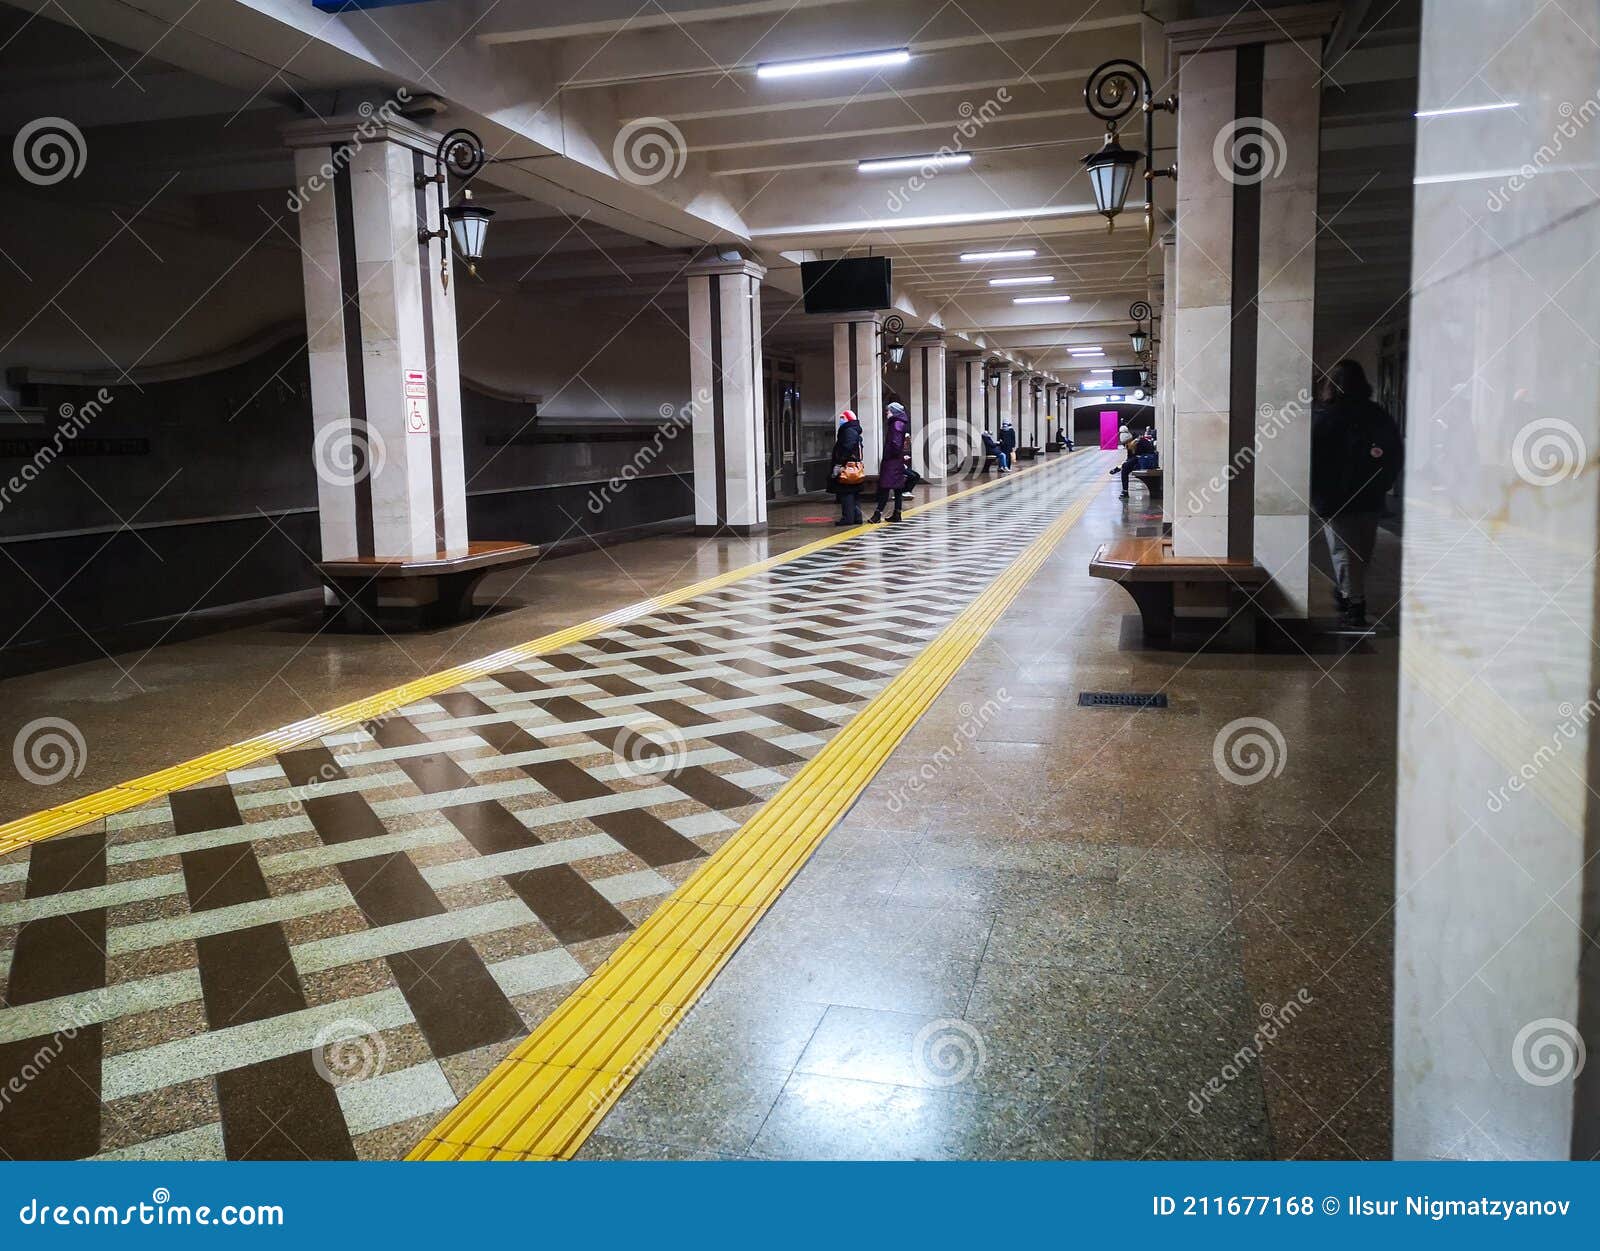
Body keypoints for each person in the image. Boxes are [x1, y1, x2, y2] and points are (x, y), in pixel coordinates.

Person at [1311, 359, 1402, 627]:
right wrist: (1383, 483)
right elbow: (1394, 454)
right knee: (1363, 549)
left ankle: (1354, 602)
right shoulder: (1377, 414)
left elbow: (1313, 459)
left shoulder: (1325, 417)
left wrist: (1317, 494)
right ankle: (1349, 593)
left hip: (1335, 499)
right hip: (1370, 496)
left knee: (1343, 551)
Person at [871, 401, 912, 522]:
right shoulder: (899, 423)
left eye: (888, 411)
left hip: (891, 461)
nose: (886, 413)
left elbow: (895, 443)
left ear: (894, 412)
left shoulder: (896, 424)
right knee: (897, 488)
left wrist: (889, 455)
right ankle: (897, 513)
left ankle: (877, 515)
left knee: (885, 486)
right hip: (896, 461)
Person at [828, 409, 865, 526]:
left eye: (843, 418)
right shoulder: (854, 431)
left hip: (847, 467)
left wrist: (839, 463)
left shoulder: (848, 431)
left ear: (848, 419)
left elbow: (846, 448)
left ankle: (848, 518)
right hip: (854, 466)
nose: (841, 420)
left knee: (846, 493)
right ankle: (857, 517)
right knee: (854, 493)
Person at [1118, 427, 1158, 498]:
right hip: (1140, 462)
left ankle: (1125, 491)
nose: (1125, 446)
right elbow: (1130, 458)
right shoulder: (1131, 445)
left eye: (1126, 444)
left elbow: (1136, 457)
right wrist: (1119, 467)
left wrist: (1126, 463)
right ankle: (1125, 491)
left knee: (1126, 466)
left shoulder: (1139, 442)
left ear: (1129, 441)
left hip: (1148, 462)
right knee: (1125, 468)